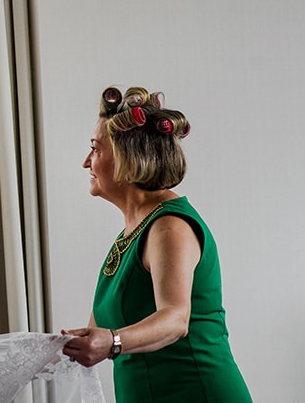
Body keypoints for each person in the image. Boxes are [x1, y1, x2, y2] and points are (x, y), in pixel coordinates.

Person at [62, 86, 251, 402]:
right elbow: (99, 330)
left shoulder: (169, 226)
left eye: (95, 150)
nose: (86, 162)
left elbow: (176, 319)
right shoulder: (129, 236)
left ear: (126, 157)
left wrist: (111, 342)